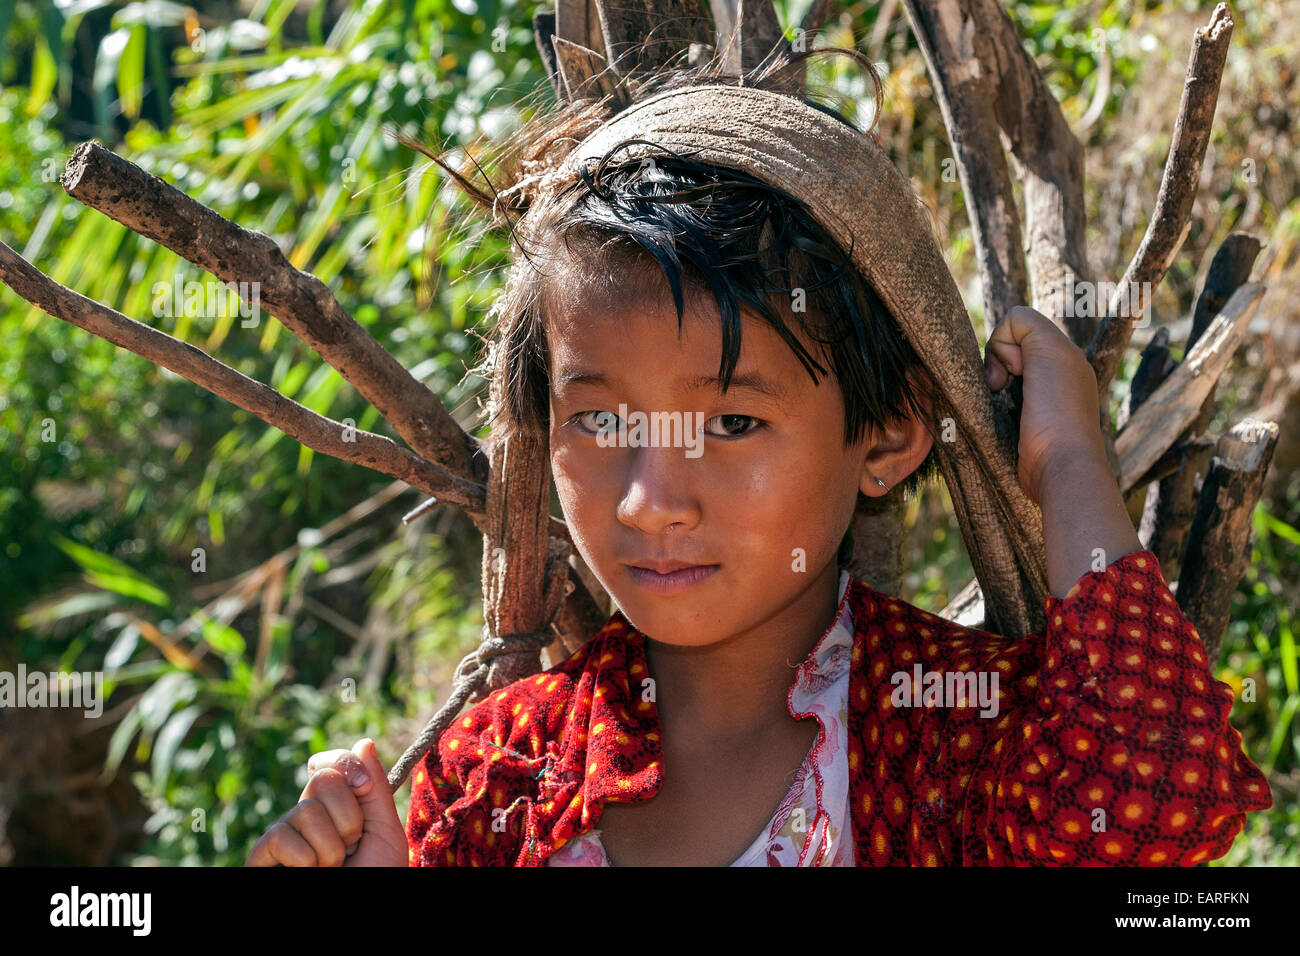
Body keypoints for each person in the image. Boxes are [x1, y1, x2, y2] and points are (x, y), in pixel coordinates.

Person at [245, 63, 1272, 869]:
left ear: (888, 435)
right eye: (600, 423)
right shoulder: (496, 779)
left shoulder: (949, 736)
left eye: (731, 422)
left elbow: (1162, 784)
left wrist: (1065, 460)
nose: (651, 500)